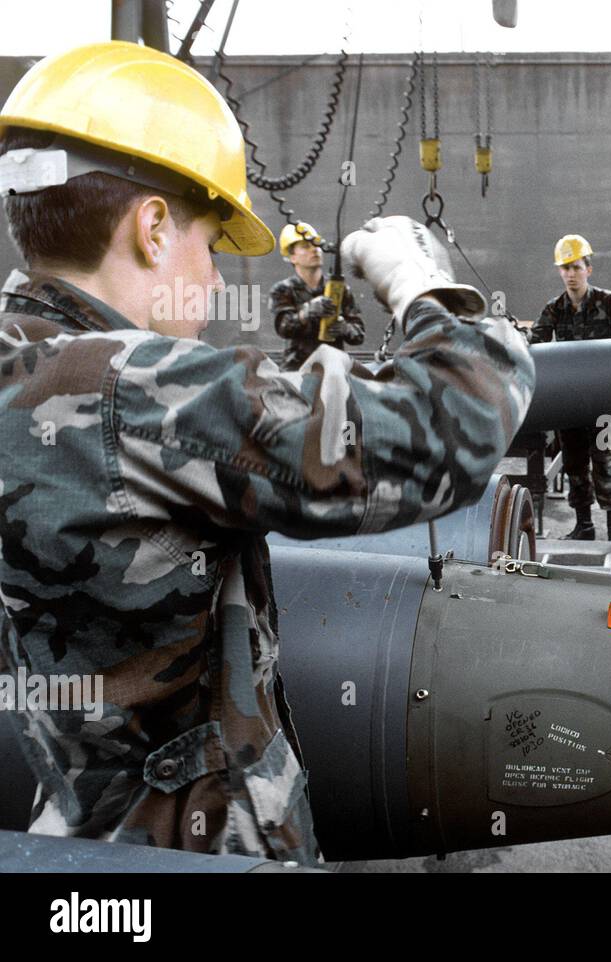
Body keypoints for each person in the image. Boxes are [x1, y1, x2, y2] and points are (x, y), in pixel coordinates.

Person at [0, 42, 534, 862]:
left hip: (76, 844)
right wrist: (424, 289)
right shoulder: (129, 391)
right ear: (150, 229)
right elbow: (460, 419)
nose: (213, 284)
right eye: (209, 244)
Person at [530, 234, 611, 541]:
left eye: (576, 267)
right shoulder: (555, 308)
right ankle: (584, 526)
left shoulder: (609, 302)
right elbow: (533, 343)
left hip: (603, 400)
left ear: (588, 268)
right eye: (565, 268)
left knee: (607, 463)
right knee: (574, 465)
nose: (570, 274)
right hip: (569, 401)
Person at [269, 221, 365, 371]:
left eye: (316, 245)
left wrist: (344, 328)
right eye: (306, 246)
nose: (315, 250)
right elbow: (284, 328)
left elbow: (358, 335)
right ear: (292, 257)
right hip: (296, 370)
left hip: (333, 369)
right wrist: (308, 311)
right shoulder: (283, 290)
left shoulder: (339, 290)